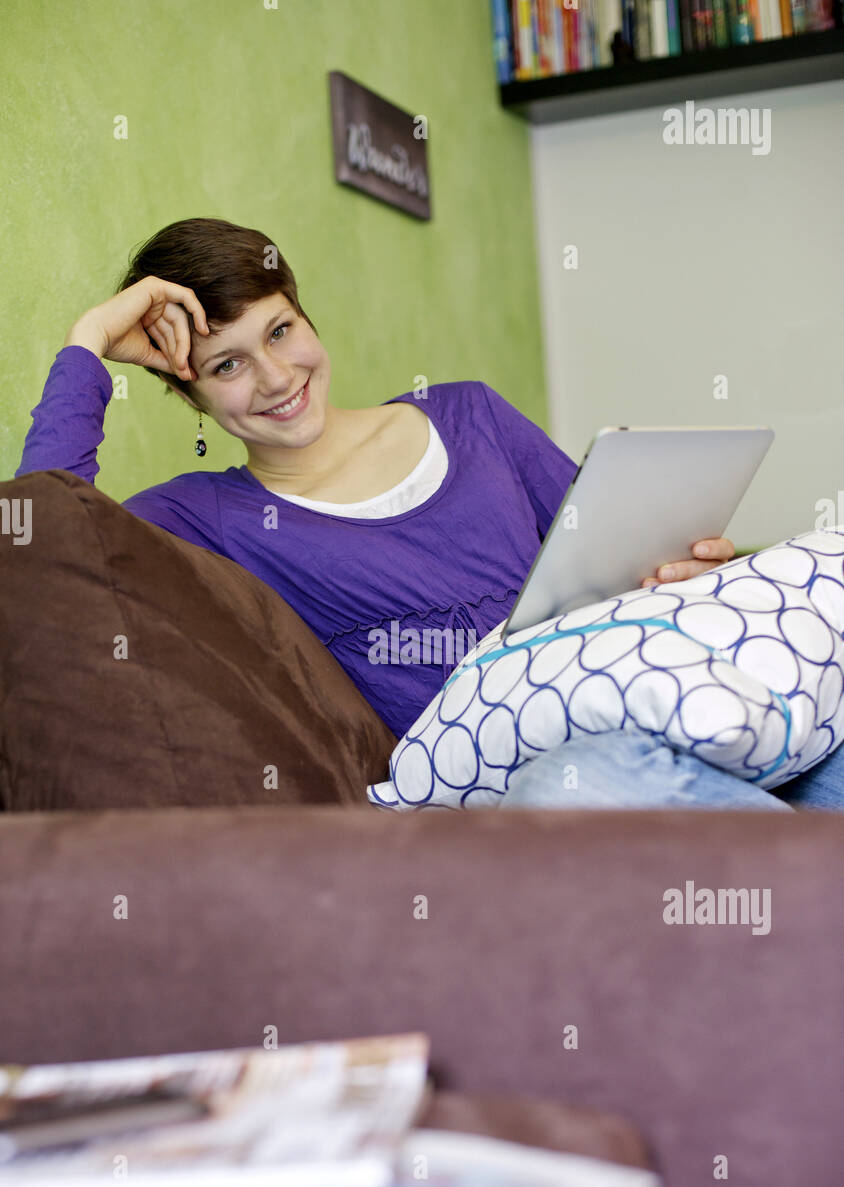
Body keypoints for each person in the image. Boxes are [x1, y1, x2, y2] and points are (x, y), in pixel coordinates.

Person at [16, 216, 841, 811]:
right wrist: (89, 344)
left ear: (306, 317)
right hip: (522, 770)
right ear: (184, 389)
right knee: (576, 790)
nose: (274, 377)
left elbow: (603, 570)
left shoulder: (469, 415)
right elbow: (42, 550)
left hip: (642, 699)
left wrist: (684, 576)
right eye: (227, 364)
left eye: (281, 331)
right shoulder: (202, 517)